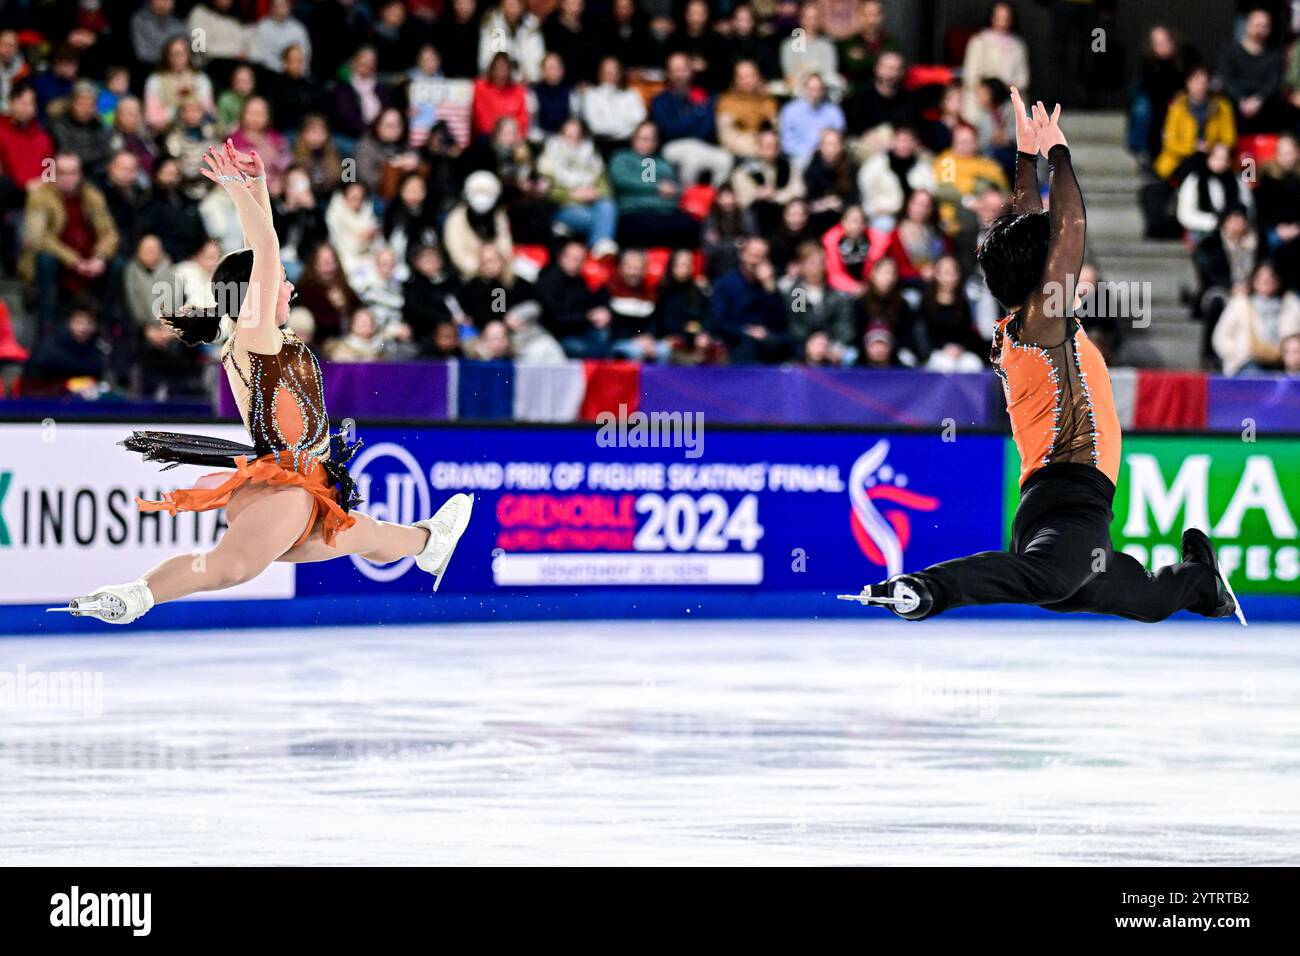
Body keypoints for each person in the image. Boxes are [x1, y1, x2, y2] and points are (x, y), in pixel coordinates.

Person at [844, 89, 1241, 627]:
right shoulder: (1044, 320)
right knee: (1052, 579)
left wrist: (1025, 159)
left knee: (1134, 598)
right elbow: (1070, 230)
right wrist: (1060, 154)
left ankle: (1201, 584)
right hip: (1069, 497)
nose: (1062, 261)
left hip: (1054, 502)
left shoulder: (1022, 322)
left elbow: (1030, 229)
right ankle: (925, 589)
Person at [53, 141, 473, 625]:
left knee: (367, 534)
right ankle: (135, 596)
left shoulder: (262, 335)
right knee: (230, 567)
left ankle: (429, 543)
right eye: (281, 281)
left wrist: (257, 183)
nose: (290, 286)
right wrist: (236, 190)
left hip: (305, 481)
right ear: (256, 290)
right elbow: (266, 247)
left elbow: (264, 246)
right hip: (285, 487)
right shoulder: (254, 336)